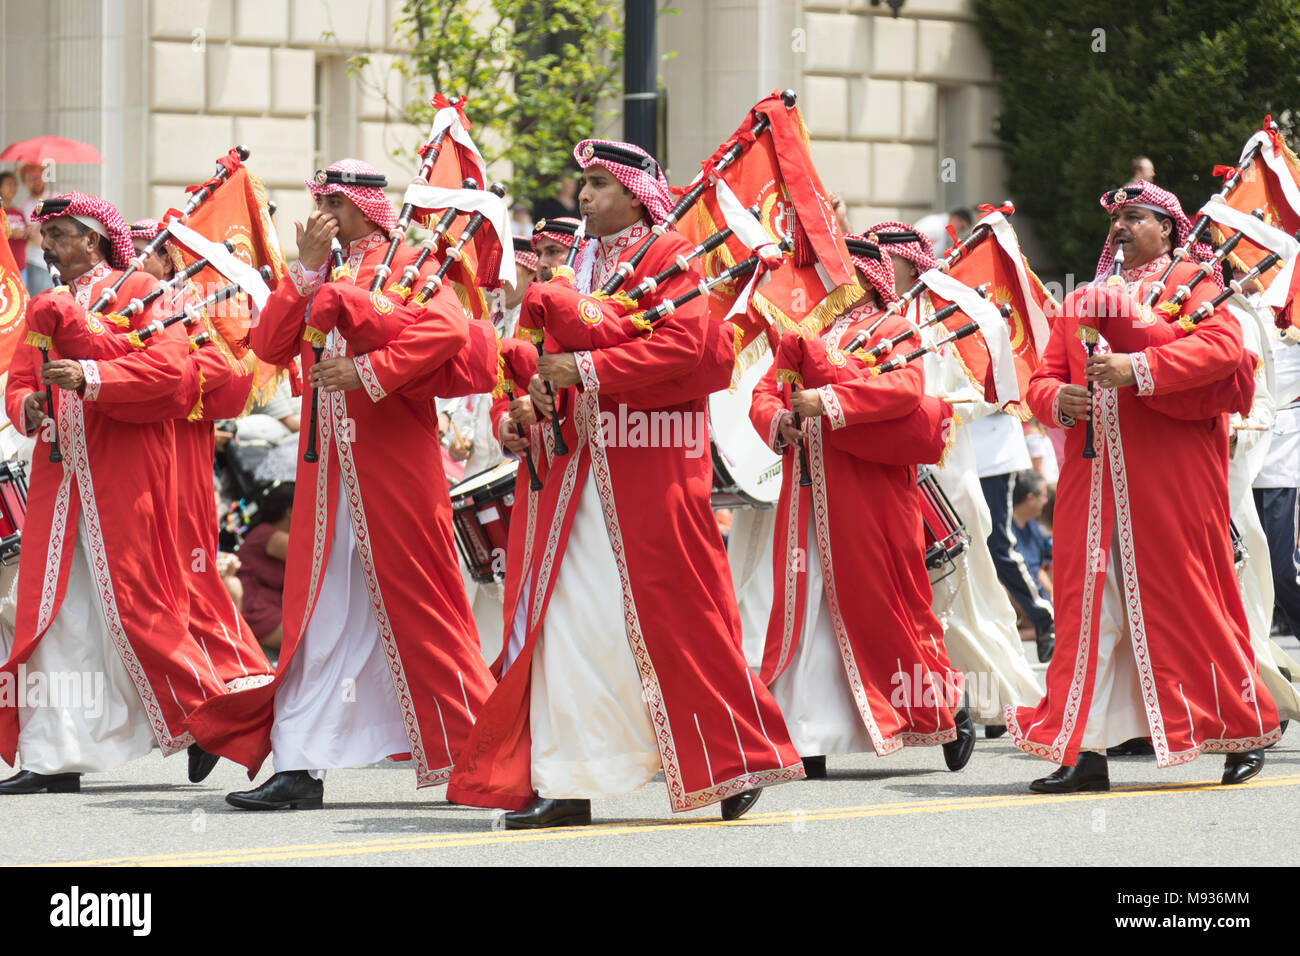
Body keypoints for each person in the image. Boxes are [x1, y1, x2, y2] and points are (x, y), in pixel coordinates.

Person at [447, 137, 804, 828]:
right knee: (568, 624)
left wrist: (587, 371)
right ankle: (568, 778)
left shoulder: (672, 258)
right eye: (581, 185)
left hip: (652, 469)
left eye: (598, 185)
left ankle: (727, 757)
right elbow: (533, 360)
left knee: (679, 621)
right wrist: (521, 408)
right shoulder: (574, 263)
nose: (583, 197)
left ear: (636, 194)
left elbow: (695, 352)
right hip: (569, 477)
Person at [220, 158, 496, 810]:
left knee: (427, 612)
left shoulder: (411, 267)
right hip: (325, 479)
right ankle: (299, 764)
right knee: (317, 617)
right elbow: (268, 342)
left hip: (396, 469)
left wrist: (369, 371)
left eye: (332, 204)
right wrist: (305, 270)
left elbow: (448, 331)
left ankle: (487, 757)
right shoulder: (320, 269)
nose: (321, 215)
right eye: (317, 201)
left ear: (363, 208)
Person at [1007, 180, 1280, 792]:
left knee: (1189, 602)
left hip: (1169, 479)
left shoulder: (1195, 285)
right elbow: (1041, 379)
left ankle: (1244, 727)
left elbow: (1223, 352)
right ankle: (1085, 754)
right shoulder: (1083, 299)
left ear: (1167, 228)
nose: (1122, 227)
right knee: (1088, 615)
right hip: (1091, 484)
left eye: (1136, 217)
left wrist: (1138, 367)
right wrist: (1060, 399)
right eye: (1118, 219)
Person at [0, 192, 262, 793]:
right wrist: (30, 405)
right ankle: (52, 755)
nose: (50, 247)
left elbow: (172, 374)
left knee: (140, 609)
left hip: (125, 476)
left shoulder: (146, 292)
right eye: (47, 236)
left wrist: (92, 375)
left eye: (61, 234)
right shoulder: (49, 304)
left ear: (93, 238)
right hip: (58, 480)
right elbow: (19, 380)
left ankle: (214, 723)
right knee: (52, 613)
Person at [747, 232, 972, 779]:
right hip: (805, 496)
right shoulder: (803, 334)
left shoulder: (894, 330)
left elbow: (903, 390)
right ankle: (809, 731)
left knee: (886, 603)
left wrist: (824, 397)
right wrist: (779, 419)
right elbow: (765, 392)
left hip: (870, 496)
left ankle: (942, 707)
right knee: (807, 607)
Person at [869, 221, 1044, 737]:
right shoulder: (876, 316)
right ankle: (927, 705)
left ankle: (995, 701)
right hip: (892, 475)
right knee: (906, 595)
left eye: (885, 260)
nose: (875, 270)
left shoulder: (944, 315)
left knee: (963, 594)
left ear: (908, 261)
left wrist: (925, 406)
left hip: (947, 475)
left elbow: (987, 395)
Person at [237, 481, 293, 651]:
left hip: (268, 610)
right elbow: (312, 556)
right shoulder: (268, 534)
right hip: (257, 613)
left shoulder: (266, 532)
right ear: (290, 511)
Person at [1011, 469, 1053, 605]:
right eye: (1043, 496)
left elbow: (1037, 567)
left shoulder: (1032, 524)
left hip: (1037, 588)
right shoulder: (1006, 531)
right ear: (1030, 498)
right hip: (1019, 592)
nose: (1046, 501)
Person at [17, 164, 52, 294]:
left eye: (38, 177)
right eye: (31, 179)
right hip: (36, 262)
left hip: (60, 262)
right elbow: (37, 240)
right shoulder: (24, 207)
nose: (36, 181)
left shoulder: (56, 197)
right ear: (25, 183)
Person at [1, 172, 25, 272]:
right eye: (9, 184)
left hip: (20, 266)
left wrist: (28, 232)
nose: (13, 187)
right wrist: (9, 232)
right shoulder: (1, 212)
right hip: (3, 267)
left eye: (15, 184)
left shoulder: (19, 212)